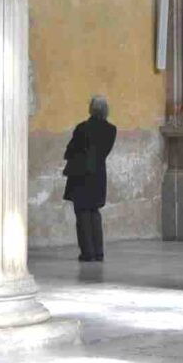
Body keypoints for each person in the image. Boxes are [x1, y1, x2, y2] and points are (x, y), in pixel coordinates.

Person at [62, 95, 117, 262]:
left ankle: (87, 252)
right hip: (99, 175)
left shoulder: (82, 128)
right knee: (94, 212)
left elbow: (70, 150)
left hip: (81, 176)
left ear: (91, 109)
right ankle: (99, 252)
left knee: (82, 214)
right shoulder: (111, 130)